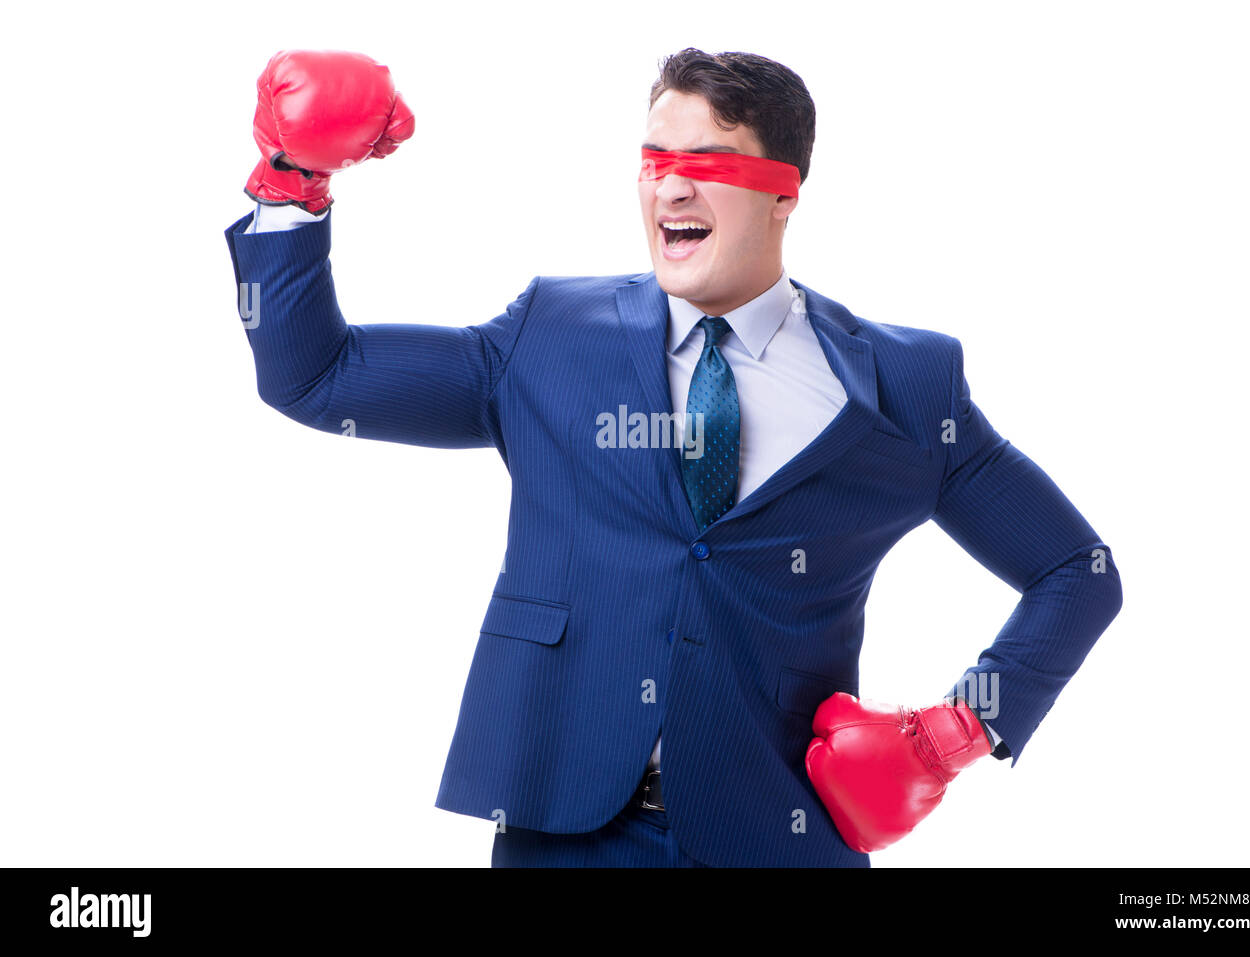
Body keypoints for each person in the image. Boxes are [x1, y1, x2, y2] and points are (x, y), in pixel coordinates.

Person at [224, 47, 1122, 867]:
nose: (671, 190)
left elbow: (1076, 571)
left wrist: (958, 730)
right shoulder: (548, 336)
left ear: (785, 193)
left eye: (708, 164)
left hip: (776, 838)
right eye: (654, 162)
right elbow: (318, 378)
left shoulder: (905, 385)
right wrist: (292, 186)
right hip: (562, 837)